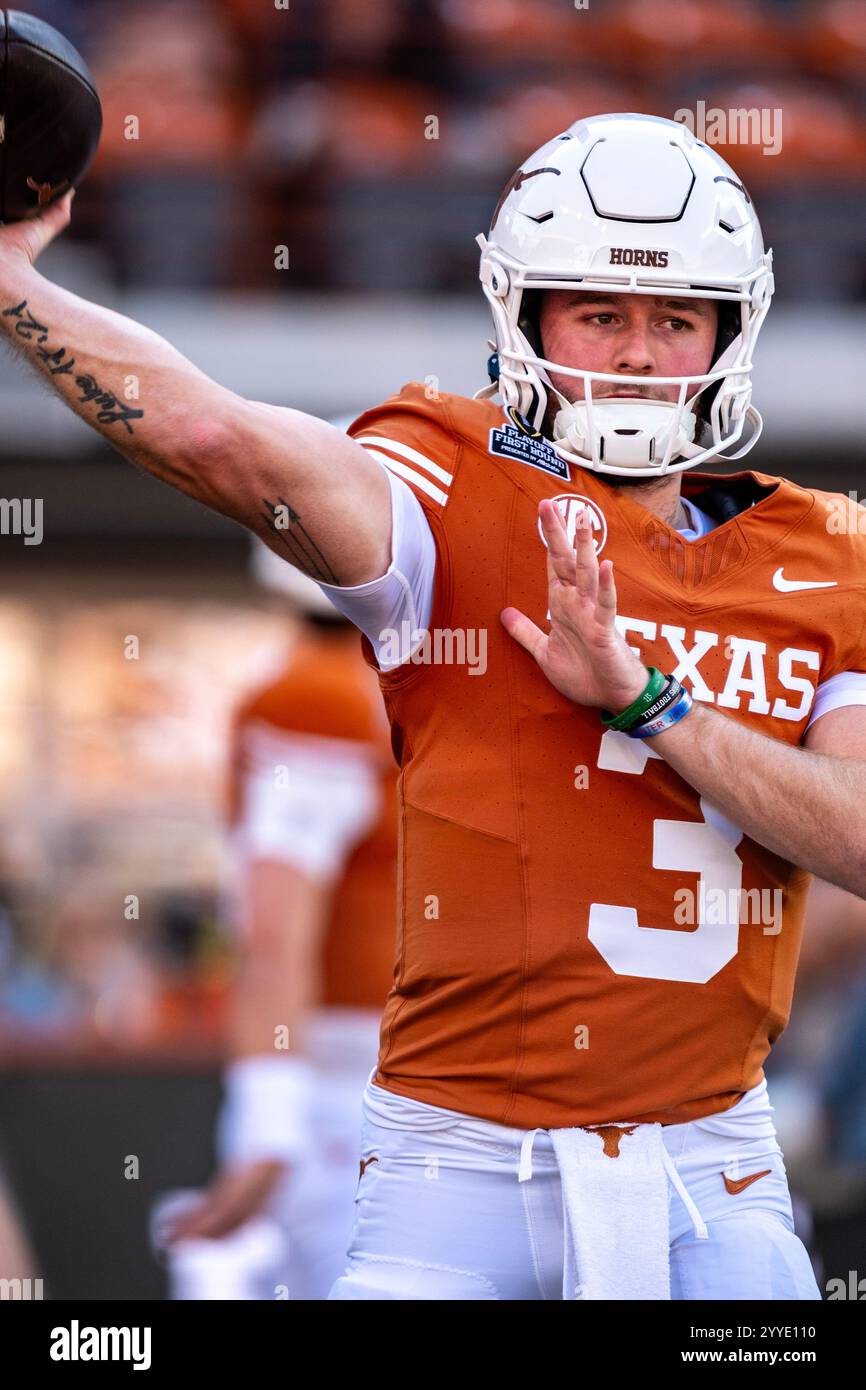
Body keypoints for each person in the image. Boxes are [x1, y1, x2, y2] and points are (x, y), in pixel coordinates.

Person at [2, 112, 863, 1299]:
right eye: (597, 312)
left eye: (673, 319)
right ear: (524, 316)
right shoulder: (451, 481)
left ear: (729, 328)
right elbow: (219, 437)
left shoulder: (825, 553)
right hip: (452, 1173)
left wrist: (650, 703)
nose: (635, 353)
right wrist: (11, 282)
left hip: (711, 1174)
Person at [161, 548, 397, 1299]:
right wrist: (272, 1126)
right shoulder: (317, 695)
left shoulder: (361, 689)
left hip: (372, 1084)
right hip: (338, 1091)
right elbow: (277, 926)